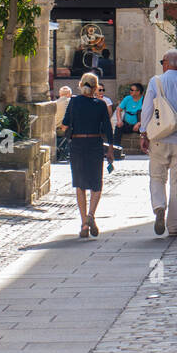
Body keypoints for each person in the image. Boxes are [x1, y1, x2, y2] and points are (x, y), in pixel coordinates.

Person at [140, 50, 177, 238]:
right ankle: (173, 226)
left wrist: (144, 133)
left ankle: (159, 206)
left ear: (166, 63)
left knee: (157, 177)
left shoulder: (155, 82)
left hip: (159, 138)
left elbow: (148, 109)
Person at [60, 72, 114, 238]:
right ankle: (91, 215)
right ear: (96, 87)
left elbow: (64, 125)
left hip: (77, 144)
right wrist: (110, 148)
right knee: (96, 183)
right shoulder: (100, 104)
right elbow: (107, 129)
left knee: (80, 185)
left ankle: (84, 224)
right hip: (94, 144)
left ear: (80, 84)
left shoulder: (74, 102)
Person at [114, 82, 145, 146]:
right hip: (127, 124)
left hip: (140, 125)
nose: (130, 91)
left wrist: (139, 123)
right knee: (118, 127)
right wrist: (119, 120)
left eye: (132, 90)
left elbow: (148, 114)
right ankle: (116, 149)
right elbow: (118, 109)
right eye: (130, 89)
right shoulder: (127, 98)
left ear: (138, 92)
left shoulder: (144, 100)